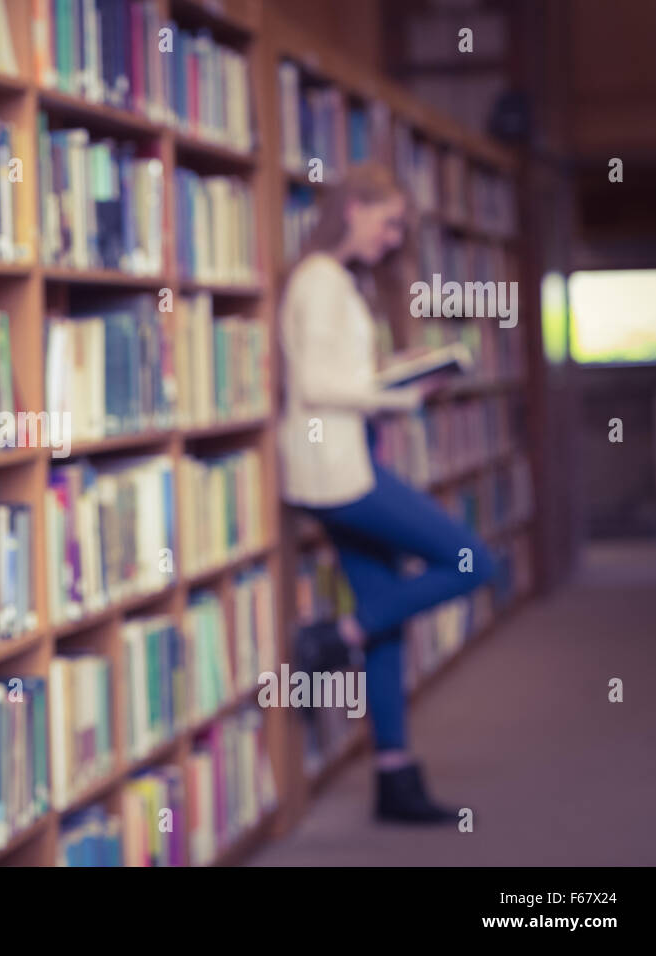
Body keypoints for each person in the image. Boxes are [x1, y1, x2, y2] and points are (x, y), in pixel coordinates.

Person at [277, 162, 498, 824]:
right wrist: (396, 396)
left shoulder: (336, 282)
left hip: (343, 460)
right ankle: (333, 635)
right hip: (335, 471)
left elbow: (339, 373)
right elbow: (316, 385)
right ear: (353, 209)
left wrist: (400, 377)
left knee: (387, 611)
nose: (395, 237)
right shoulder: (319, 281)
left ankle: (394, 778)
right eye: (389, 221)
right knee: (471, 561)